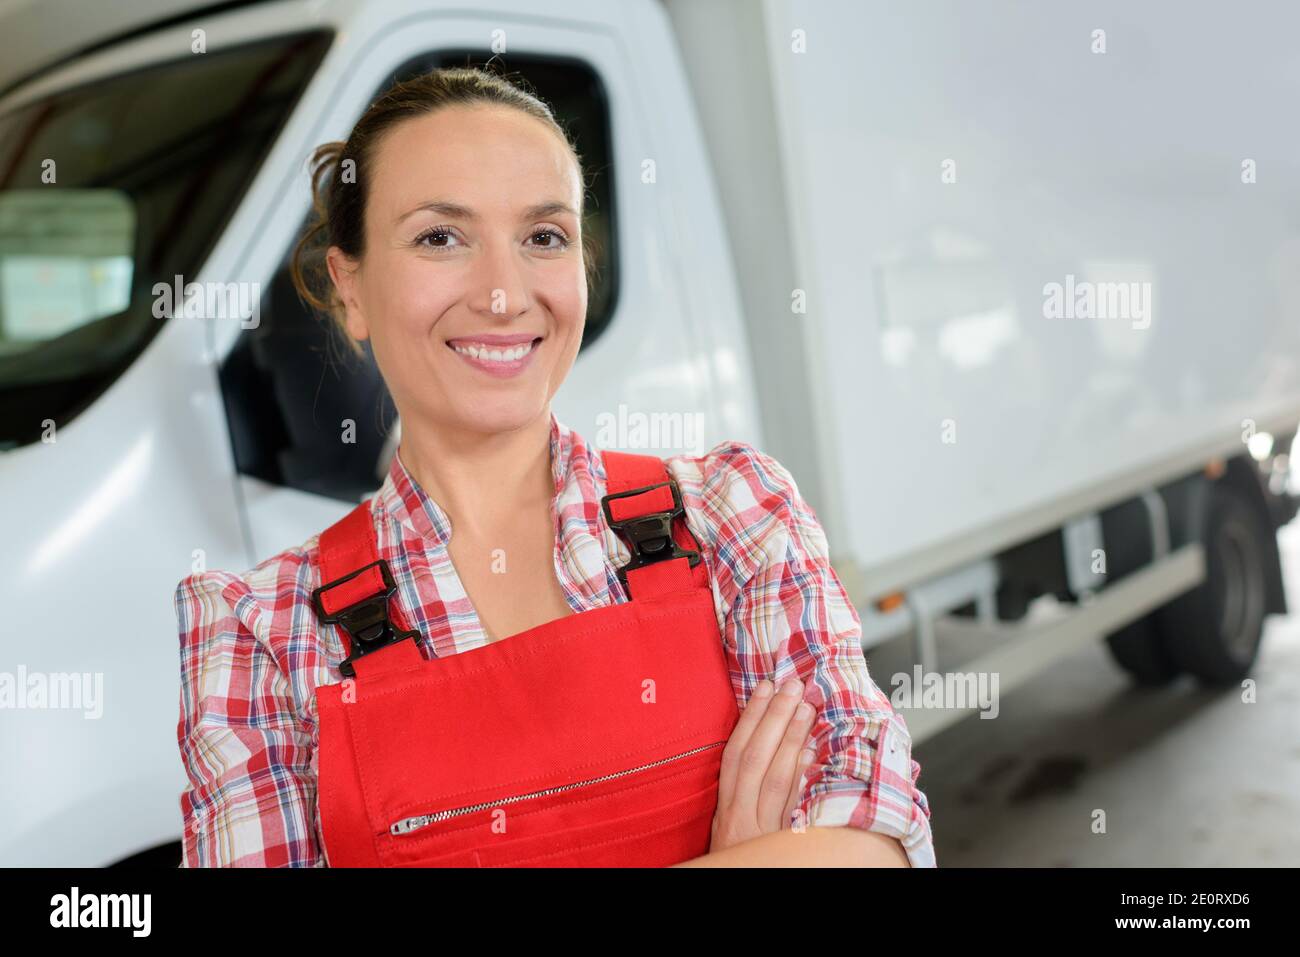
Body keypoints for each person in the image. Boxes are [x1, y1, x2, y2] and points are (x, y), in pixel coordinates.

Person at [174, 66, 935, 868]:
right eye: (441, 236)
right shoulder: (262, 632)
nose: (504, 295)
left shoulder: (734, 514)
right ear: (350, 287)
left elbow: (874, 848)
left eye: (544, 237)